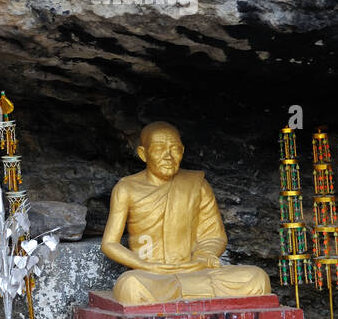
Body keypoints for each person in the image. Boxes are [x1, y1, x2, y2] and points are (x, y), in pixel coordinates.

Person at [100, 121, 269, 304]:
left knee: (257, 278)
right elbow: (109, 243)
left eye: (175, 149)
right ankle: (191, 295)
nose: (168, 156)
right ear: (143, 154)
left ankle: (188, 294)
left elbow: (214, 237)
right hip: (154, 276)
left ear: (182, 151)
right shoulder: (127, 188)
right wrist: (145, 265)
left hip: (196, 270)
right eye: (159, 149)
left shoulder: (197, 185)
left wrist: (204, 256)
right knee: (131, 286)